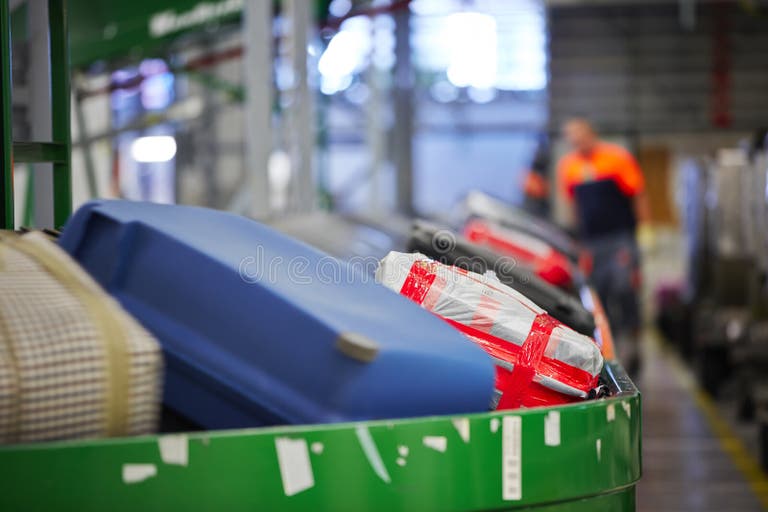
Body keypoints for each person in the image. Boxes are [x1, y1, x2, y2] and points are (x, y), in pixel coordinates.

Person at [556, 118, 650, 374]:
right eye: (570, 136)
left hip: (620, 238)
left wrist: (643, 231)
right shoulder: (569, 166)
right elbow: (575, 205)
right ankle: (612, 351)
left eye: (579, 134)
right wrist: (579, 241)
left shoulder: (617, 158)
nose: (576, 140)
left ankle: (635, 343)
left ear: (591, 133)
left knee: (624, 288)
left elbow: (638, 194)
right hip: (592, 243)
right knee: (600, 295)